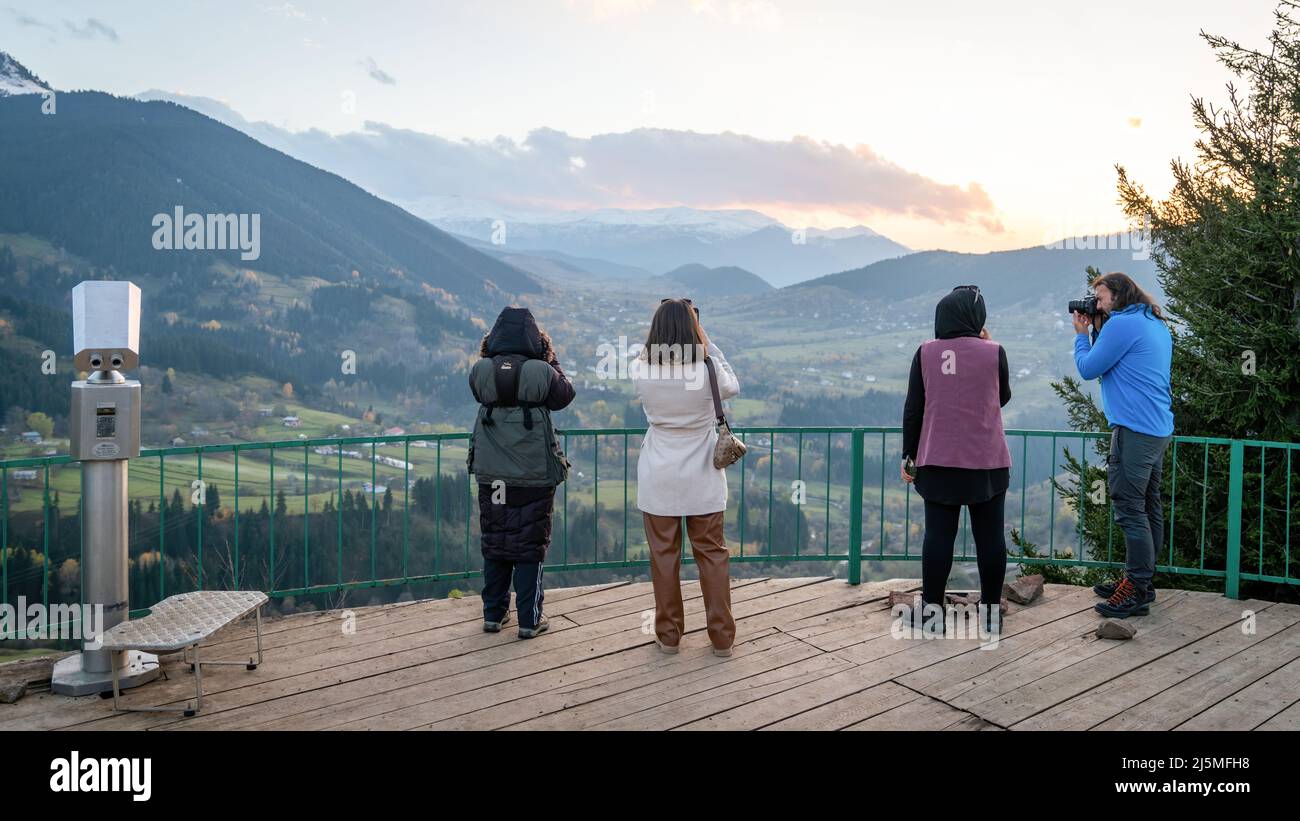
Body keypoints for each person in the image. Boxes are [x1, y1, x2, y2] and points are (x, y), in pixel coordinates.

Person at [631, 298, 739, 657]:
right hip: (702, 476)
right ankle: (722, 637)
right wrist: (708, 341)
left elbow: (646, 363)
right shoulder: (706, 370)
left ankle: (669, 636)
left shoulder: (641, 370)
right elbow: (731, 385)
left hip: (659, 474)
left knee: (664, 555)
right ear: (694, 329)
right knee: (711, 554)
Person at [901, 285, 1011, 635]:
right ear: (976, 318)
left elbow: (913, 410)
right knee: (990, 539)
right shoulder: (995, 352)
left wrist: (909, 455)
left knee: (937, 538)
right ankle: (991, 615)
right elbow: (1002, 398)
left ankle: (932, 616)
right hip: (987, 462)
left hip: (937, 461)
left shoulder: (925, 353)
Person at [467, 307, 575, 638]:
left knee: (495, 539)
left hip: (492, 474)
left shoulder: (480, 370)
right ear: (534, 339)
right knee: (530, 544)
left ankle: (493, 615)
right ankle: (529, 620)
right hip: (533, 473)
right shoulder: (541, 371)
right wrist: (550, 358)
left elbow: (478, 394)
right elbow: (564, 396)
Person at [1072, 271, 1173, 618]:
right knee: (1148, 506)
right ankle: (1140, 582)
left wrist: (1082, 335)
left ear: (1117, 295)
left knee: (1130, 509)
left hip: (1134, 431)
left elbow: (1088, 368)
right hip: (1157, 429)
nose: (1095, 304)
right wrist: (1101, 326)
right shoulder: (1152, 321)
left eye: (1099, 298)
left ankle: (1136, 590)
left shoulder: (1122, 325)